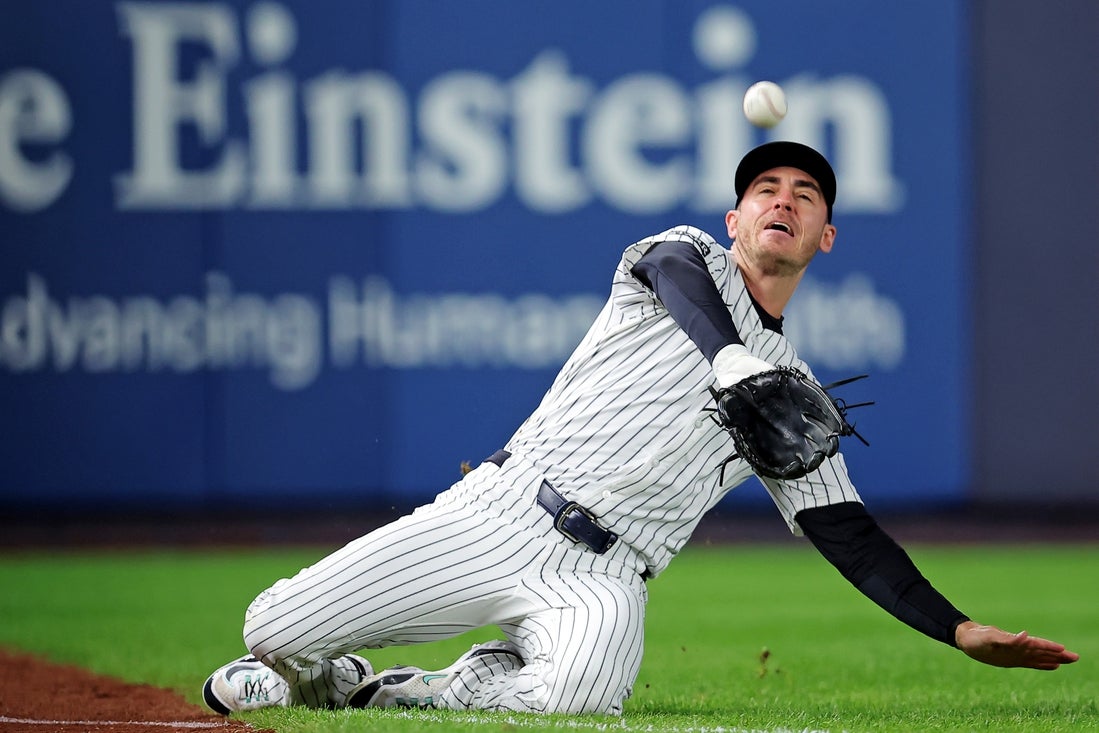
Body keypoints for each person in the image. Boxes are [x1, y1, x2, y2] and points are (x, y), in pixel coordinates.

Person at [201, 141, 1079, 717]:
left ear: (825, 237)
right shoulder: (684, 256)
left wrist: (958, 629)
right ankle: (326, 677)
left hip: (608, 574)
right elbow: (672, 273)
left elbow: (843, 529)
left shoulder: (795, 395)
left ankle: (422, 693)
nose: (784, 199)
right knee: (272, 626)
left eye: (804, 195)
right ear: (735, 219)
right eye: (765, 188)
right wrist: (732, 360)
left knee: (581, 699)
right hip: (499, 513)